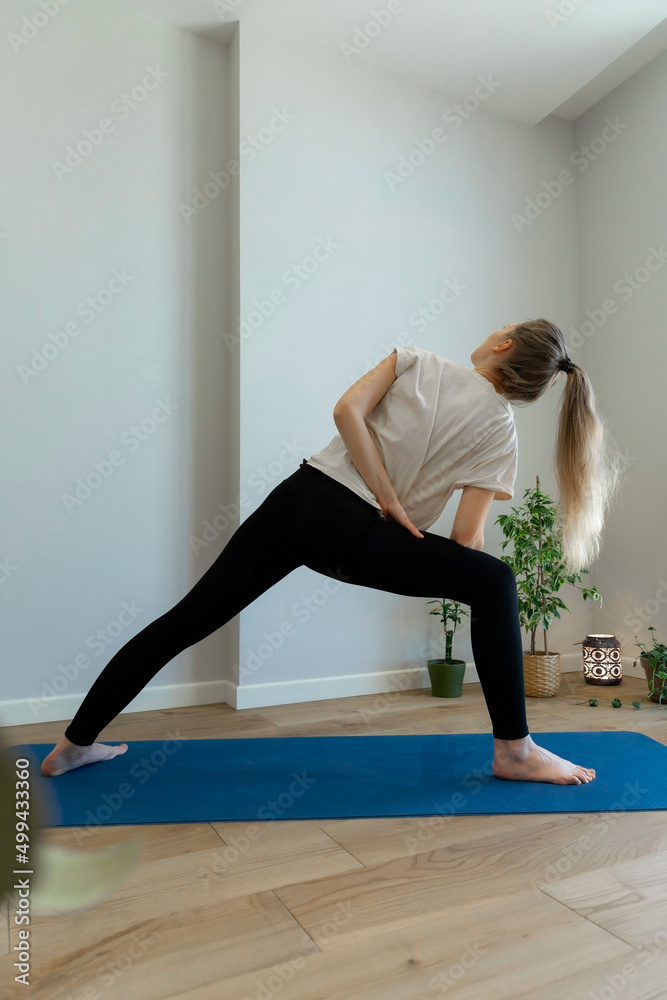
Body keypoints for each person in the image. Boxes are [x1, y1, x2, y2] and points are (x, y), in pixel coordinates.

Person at [41, 319, 623, 785]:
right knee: (493, 580)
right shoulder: (501, 431)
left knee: (186, 620)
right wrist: (397, 511)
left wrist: (385, 498)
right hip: (358, 531)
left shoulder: (414, 359)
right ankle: (515, 751)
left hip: (296, 499)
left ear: (503, 343)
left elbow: (346, 412)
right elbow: (466, 543)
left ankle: (72, 746)